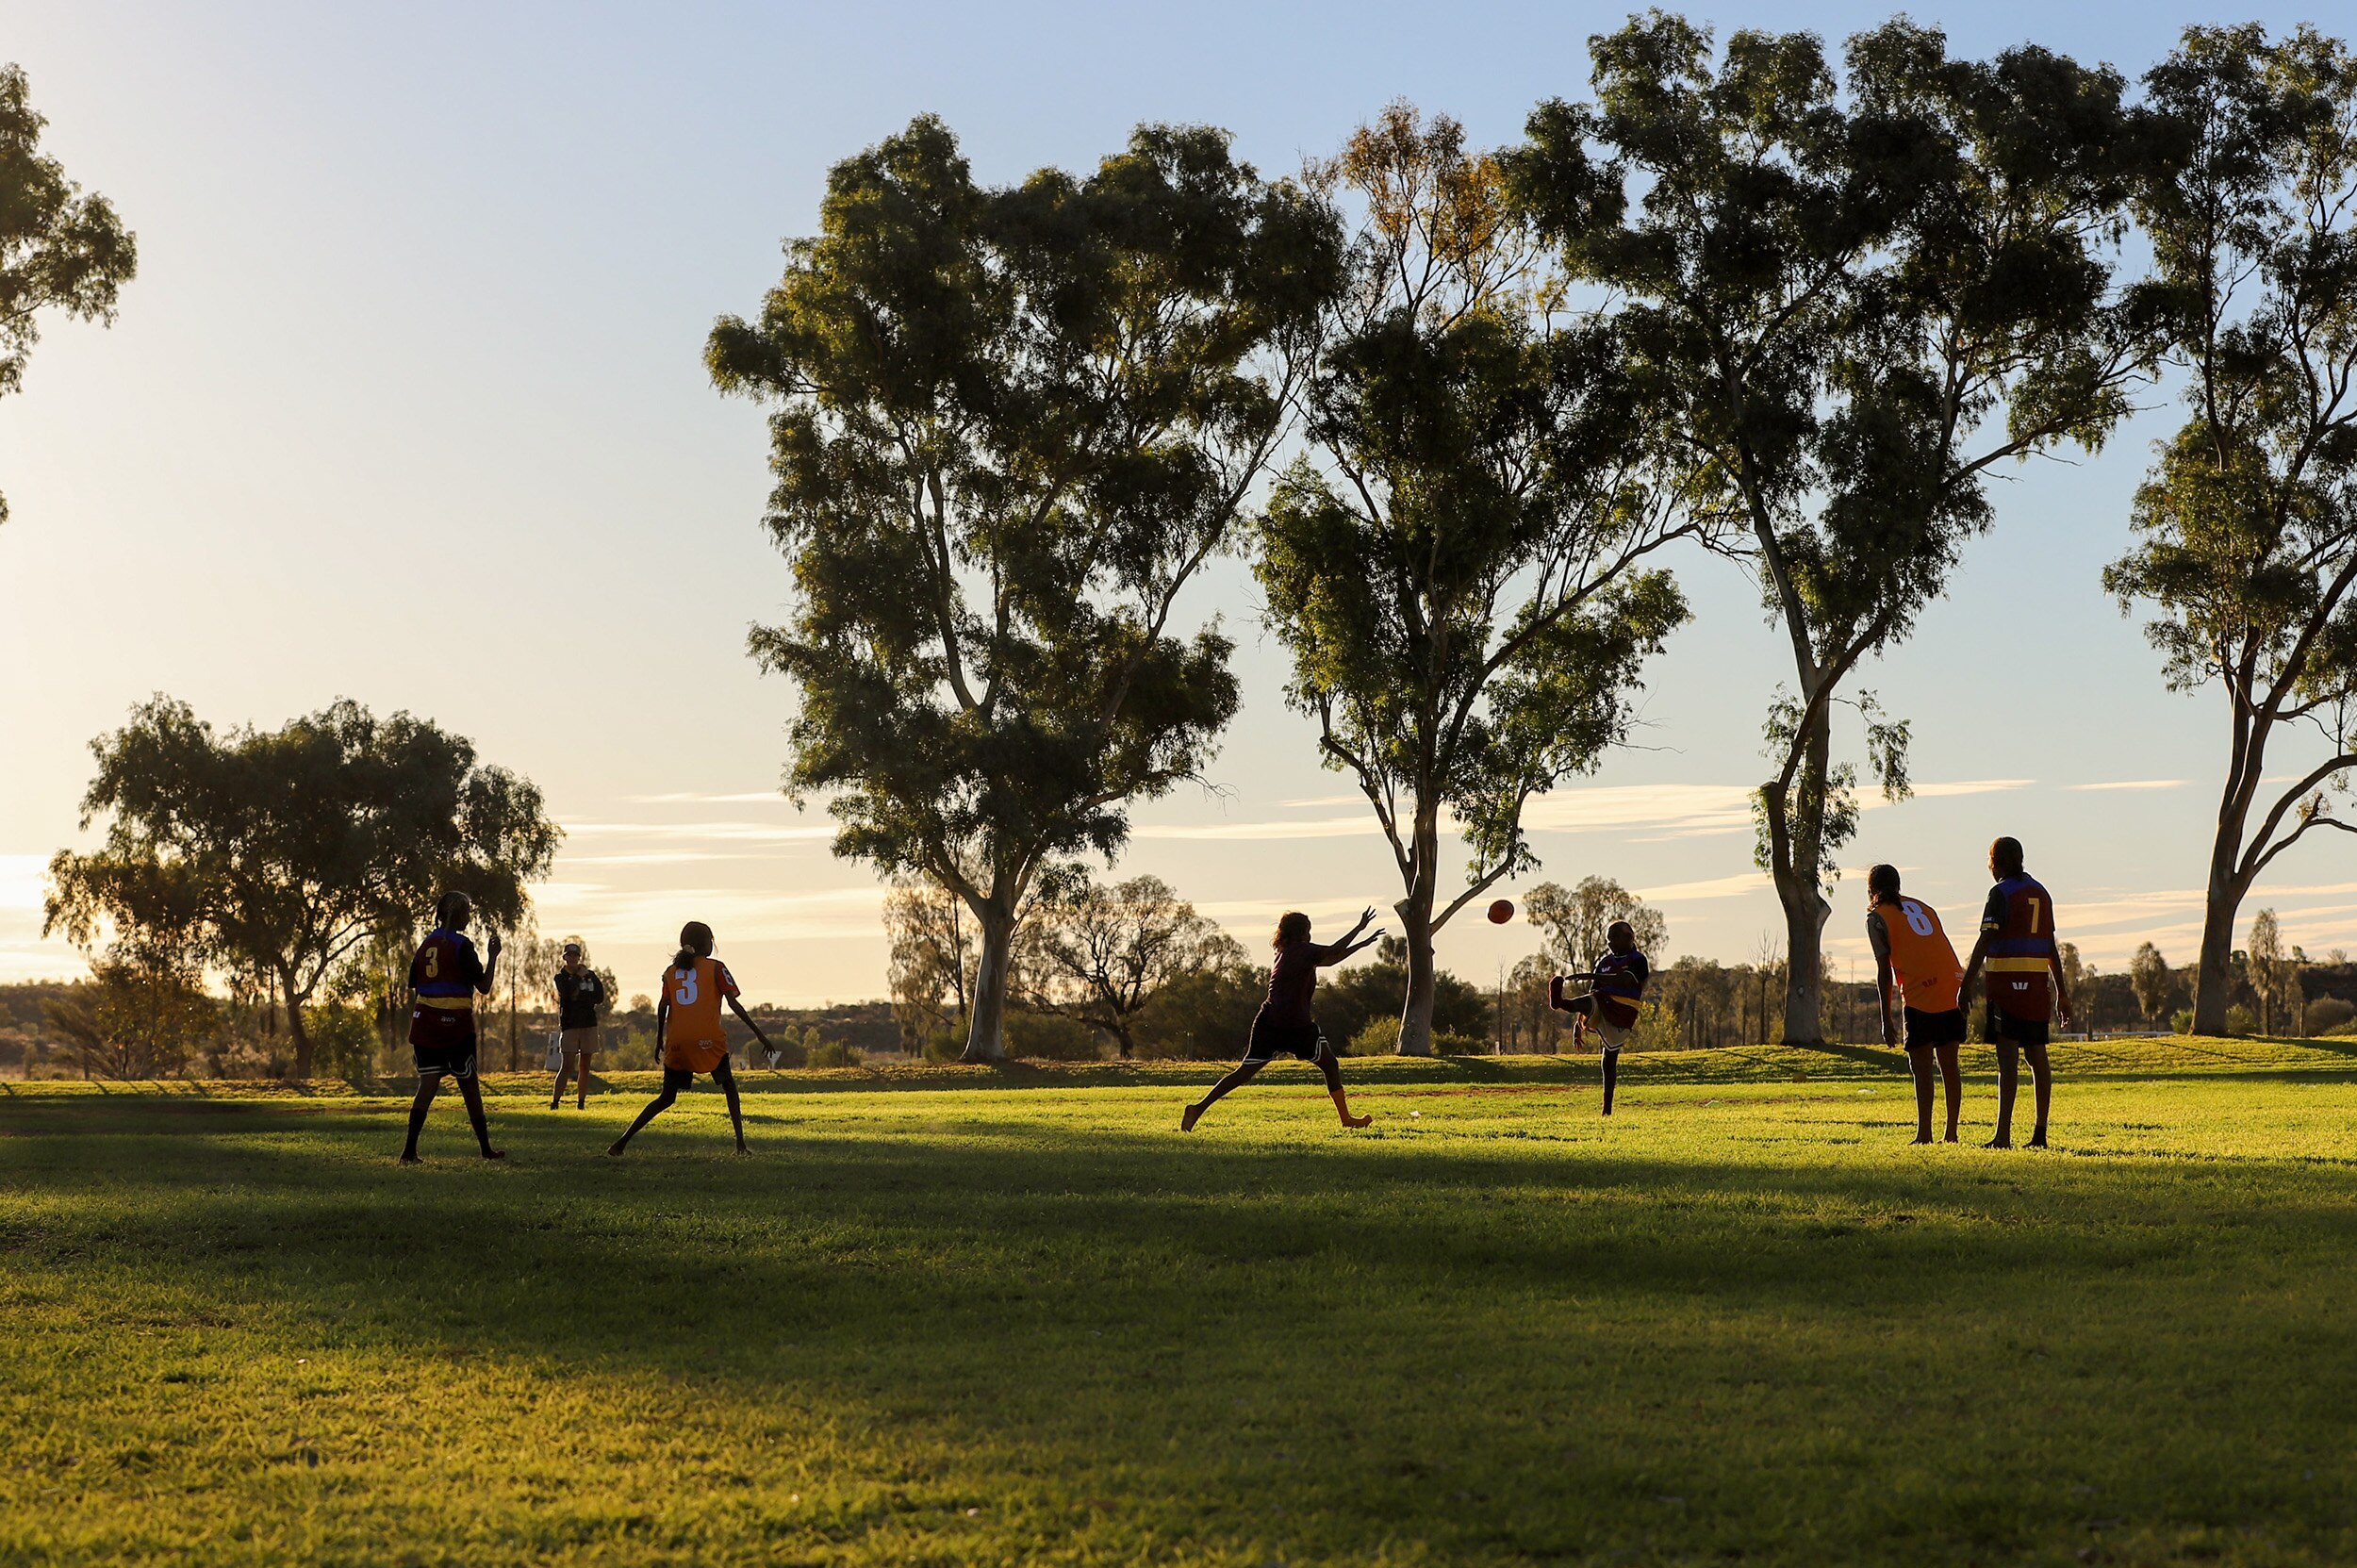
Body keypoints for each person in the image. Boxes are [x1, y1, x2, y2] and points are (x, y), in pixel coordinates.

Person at [1181, 908, 1381, 1133]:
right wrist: (1359, 928)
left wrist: (1361, 945)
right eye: (1309, 931)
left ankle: (1197, 1109)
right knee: (1330, 1064)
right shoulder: (1300, 950)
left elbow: (1330, 960)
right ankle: (1346, 1118)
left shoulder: (1288, 952)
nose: (1310, 936)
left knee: (1244, 1073)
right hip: (1294, 1025)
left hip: (1271, 1021)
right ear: (1301, 932)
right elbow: (1333, 950)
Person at [608, 921, 776, 1156]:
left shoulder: (670, 972)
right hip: (709, 1040)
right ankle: (740, 1145)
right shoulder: (716, 968)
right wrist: (760, 1035)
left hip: (678, 1042)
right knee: (729, 1087)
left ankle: (620, 1143)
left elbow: (663, 1006)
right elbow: (733, 1003)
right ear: (705, 944)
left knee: (666, 1098)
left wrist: (659, 1039)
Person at [1959, 836, 2073, 1149]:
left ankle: (2003, 1135)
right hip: (2037, 985)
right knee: (2038, 1055)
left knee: (2007, 1059)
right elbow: (2051, 946)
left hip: (2006, 986)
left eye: (1989, 859)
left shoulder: (2000, 893)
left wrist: (1966, 983)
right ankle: (2040, 1133)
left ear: (1998, 862)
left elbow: (1985, 940)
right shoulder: (2041, 892)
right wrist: (2062, 993)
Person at [1865, 864, 1967, 1145]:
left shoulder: (1877, 917)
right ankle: (1952, 1133)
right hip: (1953, 985)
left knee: (1921, 1065)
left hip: (1921, 991)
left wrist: (1886, 1019)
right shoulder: (1925, 907)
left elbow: (1885, 970)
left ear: (1871, 890)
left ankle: (1925, 1134)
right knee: (1949, 1065)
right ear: (1898, 886)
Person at [400, 890, 504, 1164]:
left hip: (425, 1024)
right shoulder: (462, 945)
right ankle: (485, 1149)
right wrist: (493, 956)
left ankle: (409, 1151)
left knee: (428, 1084)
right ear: (457, 915)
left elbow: (415, 984)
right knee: (469, 1085)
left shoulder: (425, 944)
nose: (469, 917)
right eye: (467, 912)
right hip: (455, 1027)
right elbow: (483, 986)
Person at [1550, 920, 1649, 1116]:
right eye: (1608, 940)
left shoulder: (1638, 959)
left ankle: (1607, 1109)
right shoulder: (1603, 963)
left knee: (1608, 1061)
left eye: (1614, 938)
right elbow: (1592, 994)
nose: (1610, 943)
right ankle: (1559, 1002)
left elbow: (1626, 980)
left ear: (1629, 937)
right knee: (1591, 1000)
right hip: (1601, 1003)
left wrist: (1590, 975)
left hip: (1623, 1010)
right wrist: (1579, 1025)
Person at [548, 939, 605, 1110]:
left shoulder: (591, 975)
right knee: (567, 1066)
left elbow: (599, 996)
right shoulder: (561, 977)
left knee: (585, 1066)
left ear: (579, 957)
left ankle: (581, 1103)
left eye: (575, 955)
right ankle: (555, 1102)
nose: (572, 959)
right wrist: (576, 981)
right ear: (565, 957)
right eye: (569, 956)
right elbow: (566, 992)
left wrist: (579, 995)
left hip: (589, 1024)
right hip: (570, 1025)